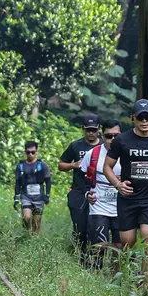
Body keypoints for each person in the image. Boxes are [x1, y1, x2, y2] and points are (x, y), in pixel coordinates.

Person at [104, 99, 148, 287]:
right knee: (127, 243)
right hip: (128, 197)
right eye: (140, 117)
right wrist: (118, 185)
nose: (144, 121)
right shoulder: (121, 140)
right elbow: (107, 167)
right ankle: (127, 281)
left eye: (147, 117)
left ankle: (147, 286)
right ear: (132, 118)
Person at [79, 119, 122, 270]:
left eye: (116, 136)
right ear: (102, 136)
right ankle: (94, 273)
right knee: (101, 245)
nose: (113, 140)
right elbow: (82, 177)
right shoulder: (93, 154)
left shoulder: (127, 154)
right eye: (109, 136)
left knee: (119, 247)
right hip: (99, 206)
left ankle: (115, 276)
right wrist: (86, 193)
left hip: (121, 207)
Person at [59, 114, 101, 266]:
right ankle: (82, 256)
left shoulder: (104, 145)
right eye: (88, 130)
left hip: (98, 190)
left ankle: (95, 260)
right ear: (83, 129)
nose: (91, 133)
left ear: (98, 129)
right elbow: (61, 164)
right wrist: (73, 165)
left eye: (94, 130)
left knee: (95, 226)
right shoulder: (76, 146)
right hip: (78, 191)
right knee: (80, 227)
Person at [14, 140, 51, 233]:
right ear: (25, 152)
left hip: (38, 197)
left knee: (37, 223)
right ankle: (27, 231)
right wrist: (16, 198)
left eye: (33, 152)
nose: (30, 154)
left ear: (36, 152)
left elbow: (48, 181)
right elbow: (17, 182)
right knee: (26, 217)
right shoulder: (21, 166)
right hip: (26, 195)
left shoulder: (42, 165)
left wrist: (47, 196)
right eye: (28, 152)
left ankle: (35, 239)